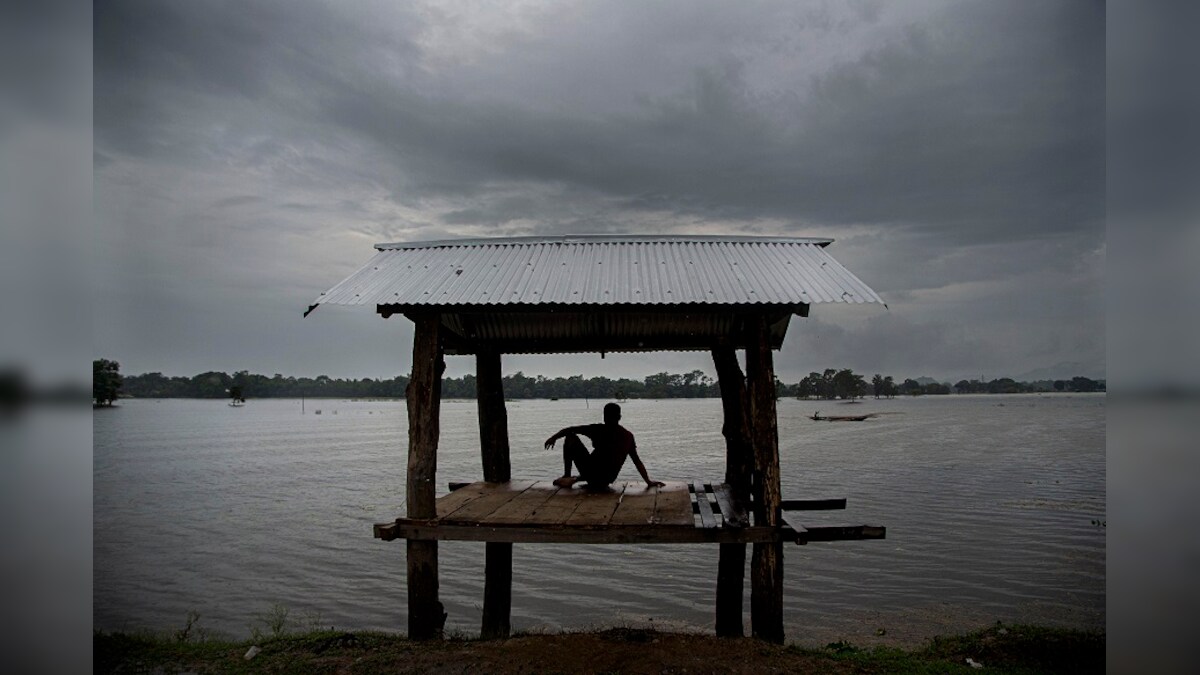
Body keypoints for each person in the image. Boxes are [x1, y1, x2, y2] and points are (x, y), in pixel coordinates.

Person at [544, 402, 664, 490]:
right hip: (607, 478)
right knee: (572, 437)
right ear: (619, 417)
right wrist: (648, 481)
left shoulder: (599, 429)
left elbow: (569, 430)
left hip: (591, 474)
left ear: (605, 417)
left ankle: (568, 476)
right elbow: (637, 461)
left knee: (570, 437)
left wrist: (553, 438)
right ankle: (575, 478)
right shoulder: (628, 436)